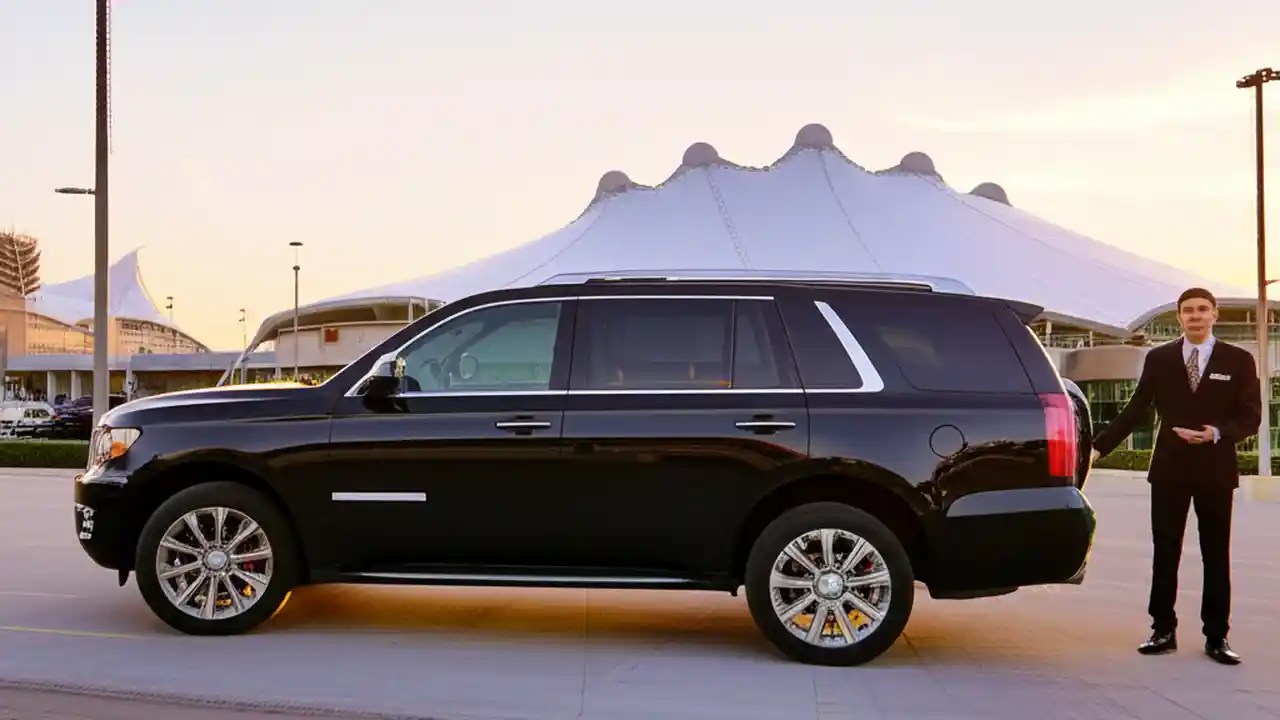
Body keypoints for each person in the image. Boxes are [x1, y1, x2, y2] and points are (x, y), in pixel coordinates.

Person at [1090, 287, 1260, 665]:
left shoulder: (1238, 360)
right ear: (1179, 318)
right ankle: (1162, 629)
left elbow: (1251, 416)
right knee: (1165, 552)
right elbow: (1135, 410)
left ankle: (1217, 637)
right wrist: (1097, 449)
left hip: (1216, 469)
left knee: (1217, 555)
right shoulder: (1160, 359)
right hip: (1169, 470)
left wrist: (1214, 433)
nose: (1195, 316)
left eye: (1202, 309)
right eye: (1187, 311)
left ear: (1215, 314)